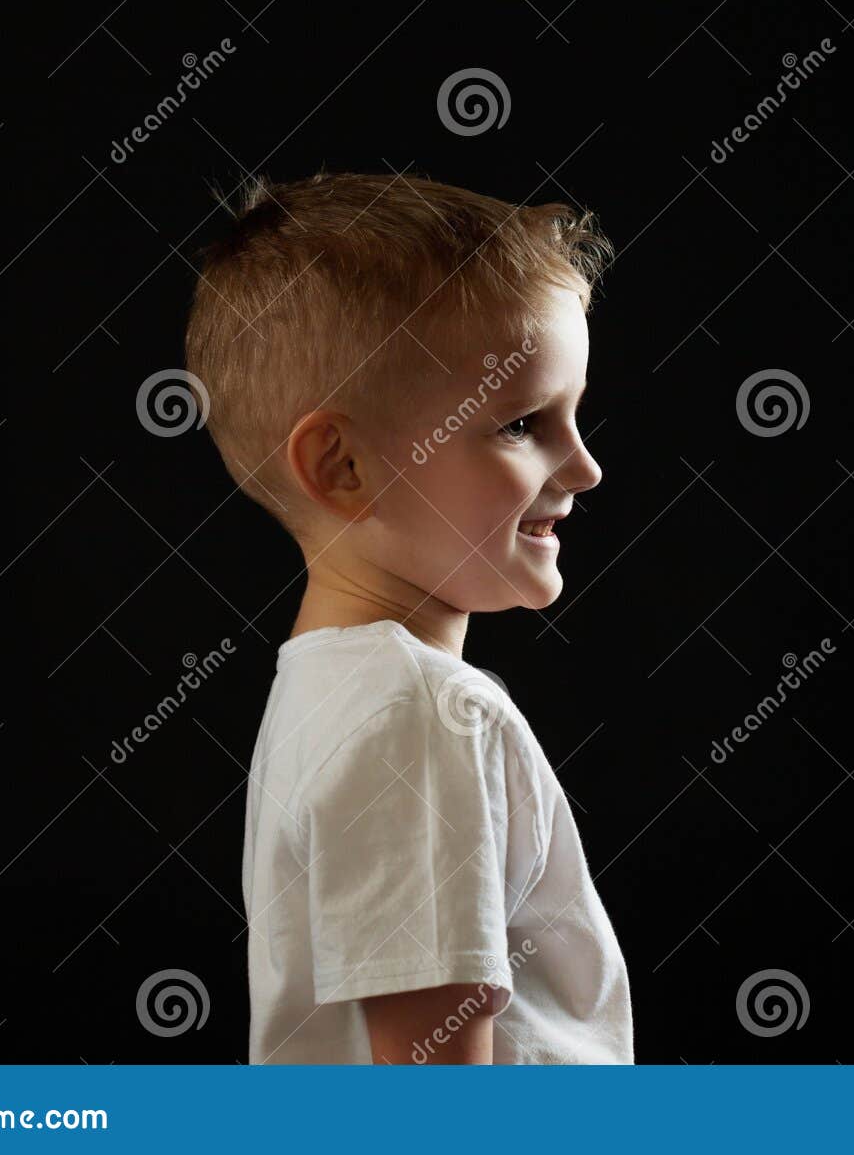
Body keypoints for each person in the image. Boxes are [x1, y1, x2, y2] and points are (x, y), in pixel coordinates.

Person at [183, 171, 632, 1063]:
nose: (584, 468)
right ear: (343, 465)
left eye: (573, 417)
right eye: (520, 425)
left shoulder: (329, 686)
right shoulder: (420, 715)